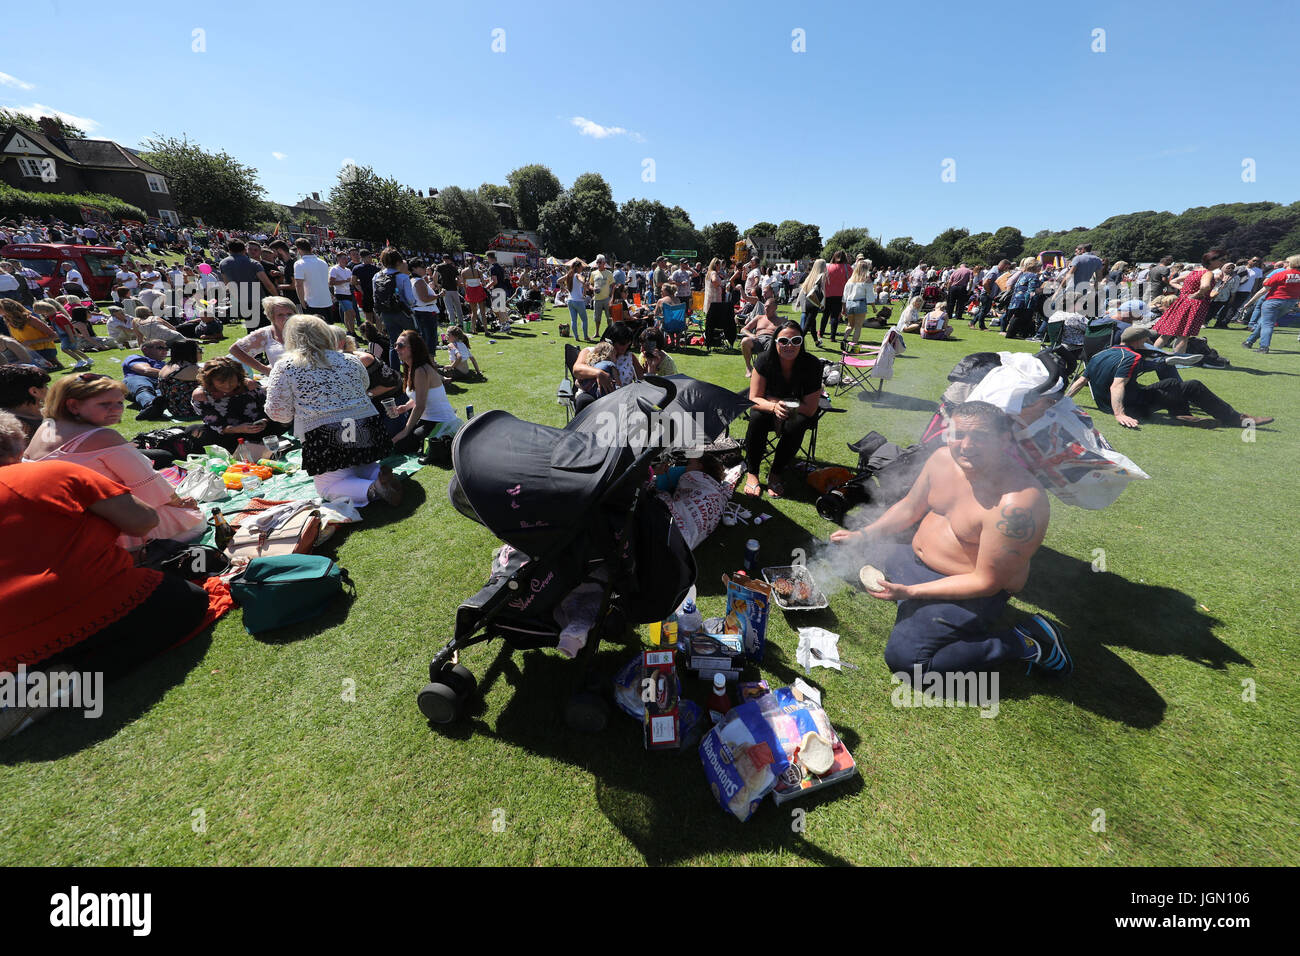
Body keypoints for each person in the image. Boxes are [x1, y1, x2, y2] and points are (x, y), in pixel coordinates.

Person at [0, 411, 210, 740]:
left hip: (10, 647)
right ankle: (73, 679)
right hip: (91, 600)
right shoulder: (54, 474)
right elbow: (143, 521)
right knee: (187, 600)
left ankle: (39, 678)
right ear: (16, 448)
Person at [829, 401, 1071, 680]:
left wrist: (911, 593)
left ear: (1004, 440)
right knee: (839, 555)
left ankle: (1027, 641)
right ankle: (910, 604)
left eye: (980, 437)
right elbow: (910, 507)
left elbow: (987, 581)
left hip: (968, 590)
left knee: (910, 664)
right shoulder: (942, 459)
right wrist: (863, 534)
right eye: (958, 434)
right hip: (912, 561)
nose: (966, 445)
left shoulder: (1017, 504)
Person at [23, 374, 206, 549]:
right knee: (197, 521)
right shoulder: (102, 437)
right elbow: (149, 484)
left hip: (63, 524)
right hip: (109, 527)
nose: (117, 409)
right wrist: (180, 502)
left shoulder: (47, 426)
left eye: (119, 402)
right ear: (73, 406)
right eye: (105, 404)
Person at [264, 314, 401, 507]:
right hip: (366, 424)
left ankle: (373, 488)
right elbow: (364, 386)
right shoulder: (350, 360)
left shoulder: (286, 366)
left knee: (329, 485)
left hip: (326, 433)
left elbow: (278, 413)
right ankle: (376, 475)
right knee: (361, 463)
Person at [1065, 326, 1272, 429]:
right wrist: (1119, 414)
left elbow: (1082, 380)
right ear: (1139, 341)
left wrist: (1065, 399)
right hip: (1130, 406)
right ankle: (1237, 419)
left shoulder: (1101, 354)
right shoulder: (1132, 357)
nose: (1149, 341)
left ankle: (1181, 414)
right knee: (1193, 386)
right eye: (1147, 339)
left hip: (1104, 404)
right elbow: (1117, 386)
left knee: (1172, 383)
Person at [742, 321, 823, 499]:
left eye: (796, 340)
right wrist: (773, 407)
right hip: (767, 406)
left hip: (798, 409)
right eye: (784, 341)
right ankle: (752, 472)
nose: (789, 345)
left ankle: (776, 473)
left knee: (797, 424)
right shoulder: (764, 359)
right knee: (757, 418)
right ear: (775, 341)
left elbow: (810, 409)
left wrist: (780, 405)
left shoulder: (812, 364)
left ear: (802, 342)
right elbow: (754, 398)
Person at [387, 330, 463, 456]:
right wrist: (405, 407)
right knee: (398, 438)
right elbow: (419, 397)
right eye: (395, 345)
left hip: (439, 421)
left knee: (402, 444)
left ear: (413, 348)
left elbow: (420, 405)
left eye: (400, 345)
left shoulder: (421, 370)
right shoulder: (411, 367)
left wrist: (405, 431)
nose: (396, 348)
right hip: (427, 419)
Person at [190, 356, 278, 451]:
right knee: (198, 431)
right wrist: (238, 429)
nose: (227, 386)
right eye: (221, 382)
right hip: (227, 434)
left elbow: (268, 407)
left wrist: (264, 421)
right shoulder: (201, 395)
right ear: (210, 380)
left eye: (232, 381)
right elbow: (215, 424)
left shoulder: (249, 386)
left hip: (259, 430)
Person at [1151, 249, 1228, 354]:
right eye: (1221, 260)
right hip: (1194, 305)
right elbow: (1205, 286)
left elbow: (1173, 281)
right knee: (1184, 335)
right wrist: (1197, 294)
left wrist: (1185, 291)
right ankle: (1178, 360)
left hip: (1182, 302)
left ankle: (1152, 354)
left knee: (1166, 333)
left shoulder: (1195, 271)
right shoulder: (1208, 273)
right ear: (1211, 260)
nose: (1223, 262)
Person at [571, 324, 642, 412]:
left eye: (629, 344)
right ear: (611, 341)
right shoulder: (590, 351)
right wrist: (599, 373)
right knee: (584, 401)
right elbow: (577, 370)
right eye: (622, 343)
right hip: (591, 396)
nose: (626, 347)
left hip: (621, 399)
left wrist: (652, 367)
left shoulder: (630, 356)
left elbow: (642, 381)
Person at [1239, 254, 1300, 354]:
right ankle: (1249, 341)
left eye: (1287, 262)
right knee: (1264, 322)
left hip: (1273, 301)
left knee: (1267, 324)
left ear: (1292, 263)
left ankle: (1264, 347)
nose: (1285, 264)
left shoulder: (1280, 274)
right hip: (1290, 303)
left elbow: (1263, 290)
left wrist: (1249, 303)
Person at [219, 239, 279, 331]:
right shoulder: (253, 263)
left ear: (229, 250)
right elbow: (268, 284)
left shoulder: (223, 264)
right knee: (267, 329)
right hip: (257, 300)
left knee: (251, 330)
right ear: (244, 250)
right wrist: (277, 298)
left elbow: (228, 284)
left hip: (241, 301)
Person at [228, 295, 293, 376]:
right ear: (271, 317)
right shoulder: (266, 334)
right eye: (280, 315)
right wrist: (264, 369)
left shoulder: (306, 329)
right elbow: (235, 350)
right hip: (280, 382)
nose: (286, 317)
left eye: (289, 314)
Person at [0, 299, 61, 368]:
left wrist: (32, 342)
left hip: (44, 351)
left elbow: (55, 336)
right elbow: (14, 339)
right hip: (27, 352)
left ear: (7, 309)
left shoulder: (30, 319)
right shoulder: (9, 322)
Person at [155, 339, 204, 419]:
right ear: (190, 352)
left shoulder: (167, 367)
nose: (202, 352)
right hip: (189, 409)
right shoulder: (191, 369)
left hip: (174, 409)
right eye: (199, 349)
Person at [0, 363, 50, 439]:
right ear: (34, 391)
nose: (49, 389)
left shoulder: (6, 421)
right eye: (46, 385)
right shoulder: (18, 428)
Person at [292, 238, 334, 321]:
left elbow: (299, 285)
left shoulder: (299, 264)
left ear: (299, 250)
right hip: (327, 302)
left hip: (312, 303)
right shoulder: (323, 262)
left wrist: (302, 302)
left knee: (313, 332)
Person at [841, 258, 878, 350]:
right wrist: (874, 308)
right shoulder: (867, 280)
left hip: (849, 303)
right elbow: (870, 296)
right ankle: (854, 347)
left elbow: (844, 296)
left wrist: (843, 308)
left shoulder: (850, 280)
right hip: (860, 303)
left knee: (850, 325)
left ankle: (844, 339)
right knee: (858, 327)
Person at [820, 251, 850, 342]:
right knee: (835, 316)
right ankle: (832, 337)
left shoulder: (828, 267)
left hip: (828, 294)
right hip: (840, 295)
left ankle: (821, 333)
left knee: (825, 315)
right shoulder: (847, 268)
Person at [796, 259, 828, 347]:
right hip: (814, 302)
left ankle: (816, 342)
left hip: (807, 301)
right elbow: (823, 290)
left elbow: (803, 289)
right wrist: (823, 303)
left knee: (812, 322)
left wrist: (798, 301)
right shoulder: (822, 275)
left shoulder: (810, 276)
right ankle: (798, 342)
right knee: (807, 325)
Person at [329, 250, 359, 336]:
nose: (345, 260)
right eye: (343, 258)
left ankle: (349, 331)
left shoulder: (348, 270)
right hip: (340, 293)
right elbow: (331, 283)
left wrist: (357, 282)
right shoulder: (334, 269)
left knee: (347, 313)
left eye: (346, 258)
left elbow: (352, 282)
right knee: (352, 313)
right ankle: (353, 332)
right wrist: (345, 280)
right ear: (338, 259)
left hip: (348, 293)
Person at [562, 259, 590, 340]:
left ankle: (576, 337)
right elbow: (581, 279)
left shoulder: (569, 275)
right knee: (584, 320)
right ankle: (585, 336)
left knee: (573, 320)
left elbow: (559, 281)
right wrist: (584, 282)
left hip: (570, 300)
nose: (582, 268)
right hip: (578, 301)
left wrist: (565, 289)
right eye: (581, 267)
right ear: (577, 267)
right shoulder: (578, 275)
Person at [435, 253, 463, 332]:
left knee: (449, 308)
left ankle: (452, 324)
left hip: (445, 289)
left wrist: (437, 284)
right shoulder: (453, 267)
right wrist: (457, 284)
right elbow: (459, 278)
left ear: (442, 259)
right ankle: (460, 323)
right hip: (454, 289)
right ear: (449, 259)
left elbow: (435, 275)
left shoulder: (439, 266)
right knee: (458, 307)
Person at [589, 254, 614, 338]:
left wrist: (611, 295)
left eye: (600, 262)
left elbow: (613, 285)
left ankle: (609, 333)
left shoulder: (609, 273)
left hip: (607, 298)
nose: (598, 264)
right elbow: (590, 284)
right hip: (597, 299)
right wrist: (593, 289)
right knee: (597, 318)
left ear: (604, 263)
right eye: (597, 262)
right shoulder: (593, 273)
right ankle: (597, 333)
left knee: (609, 318)